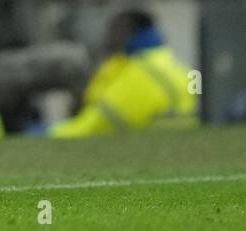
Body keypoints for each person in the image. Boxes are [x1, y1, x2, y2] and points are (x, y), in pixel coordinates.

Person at [50, 10, 198, 138]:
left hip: (152, 148)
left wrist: (45, 133)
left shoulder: (139, 73)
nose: (107, 36)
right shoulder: (175, 65)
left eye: (113, 29)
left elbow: (95, 126)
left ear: (127, 32)